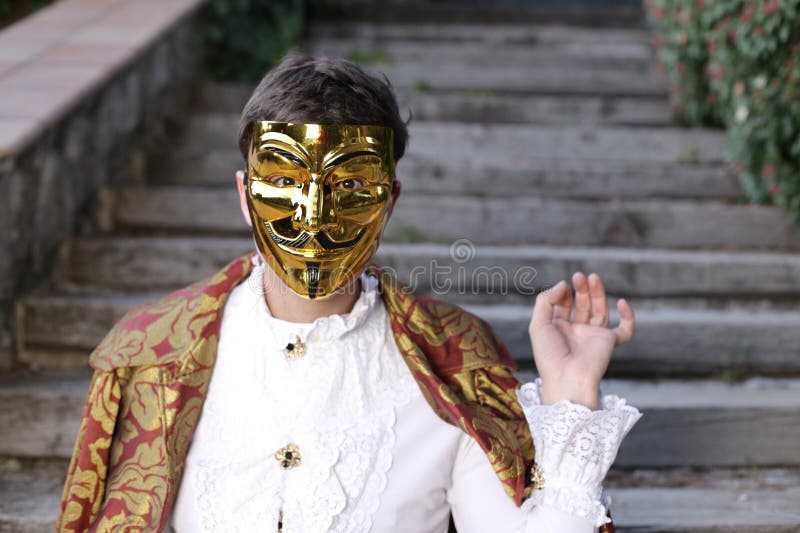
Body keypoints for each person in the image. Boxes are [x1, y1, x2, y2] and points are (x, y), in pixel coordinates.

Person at [56, 53, 641, 533]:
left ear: (390, 199)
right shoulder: (150, 356)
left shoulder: (454, 366)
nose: (314, 220)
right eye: (283, 181)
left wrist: (571, 398)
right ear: (244, 192)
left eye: (353, 185)